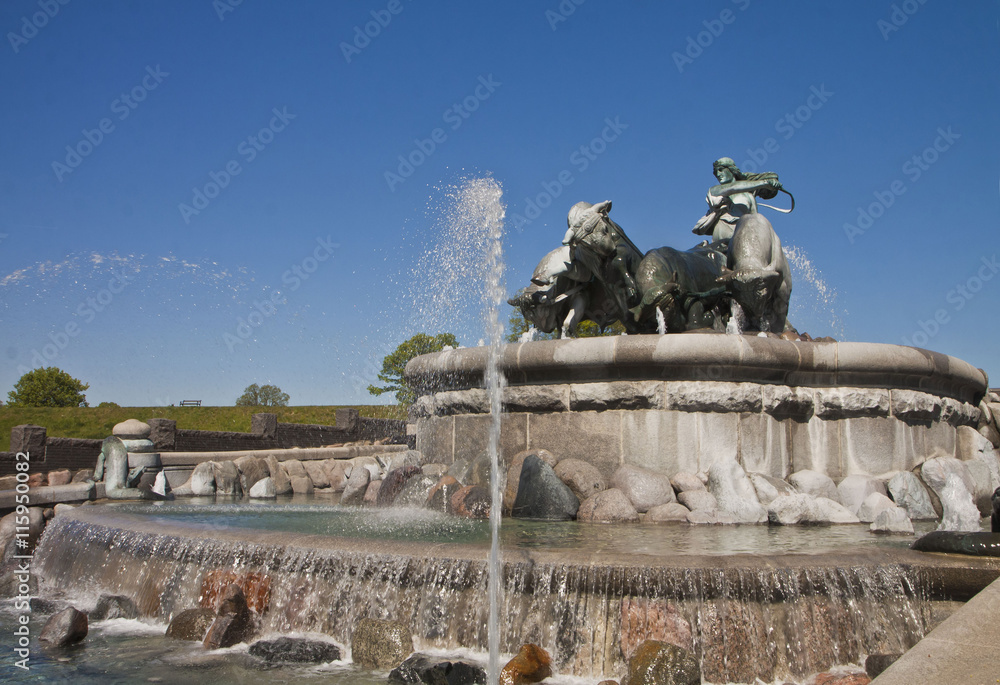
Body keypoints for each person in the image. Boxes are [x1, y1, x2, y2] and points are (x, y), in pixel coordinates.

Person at [692, 157, 784, 243]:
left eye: (721, 170)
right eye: (716, 172)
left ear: (732, 170)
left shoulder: (748, 196)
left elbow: (756, 221)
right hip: (721, 241)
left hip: (745, 240)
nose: (718, 174)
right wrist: (765, 183)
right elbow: (733, 187)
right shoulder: (715, 190)